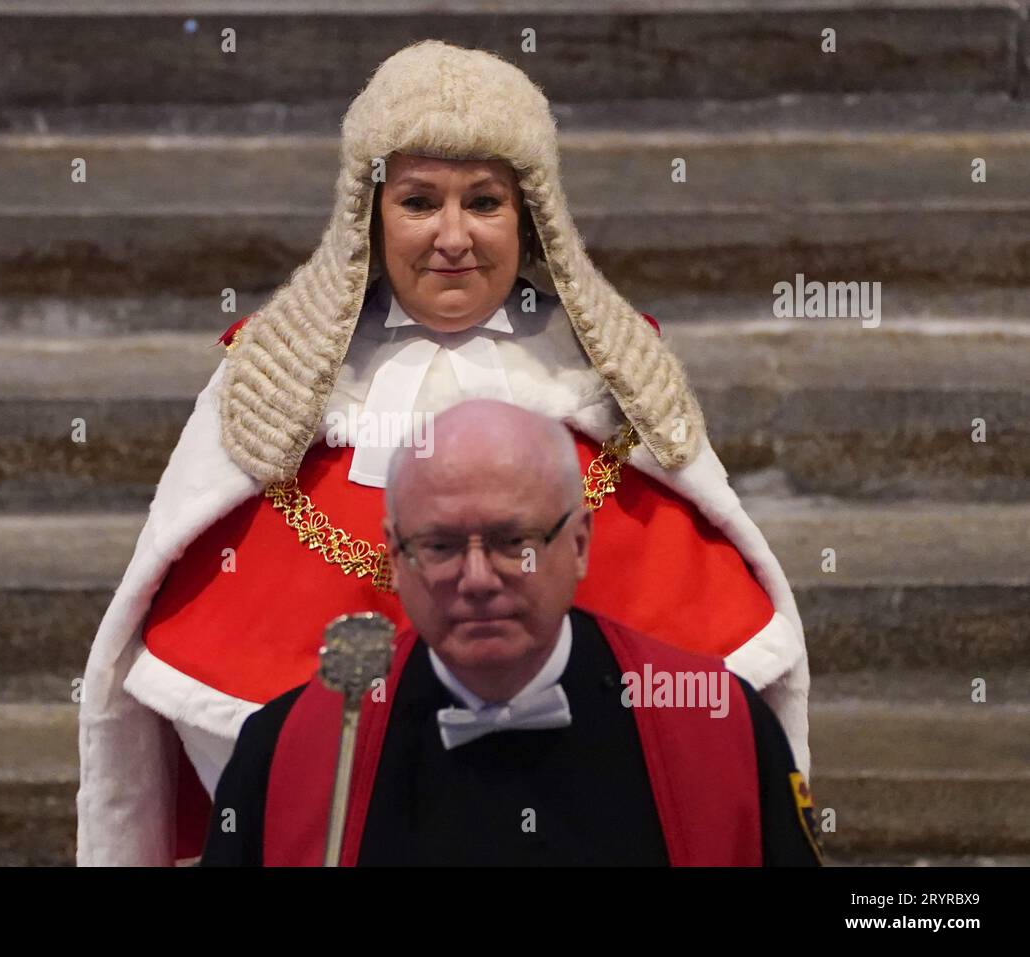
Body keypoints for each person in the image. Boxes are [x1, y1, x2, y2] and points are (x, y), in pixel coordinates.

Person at [77, 40, 810, 866]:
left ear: (530, 214)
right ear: (371, 213)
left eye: (485, 201)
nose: (453, 238)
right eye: (420, 201)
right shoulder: (264, 375)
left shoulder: (619, 375)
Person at [200, 400, 822, 866]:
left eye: (512, 542)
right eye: (440, 546)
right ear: (394, 554)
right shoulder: (291, 754)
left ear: (579, 544)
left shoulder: (715, 725)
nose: (477, 579)